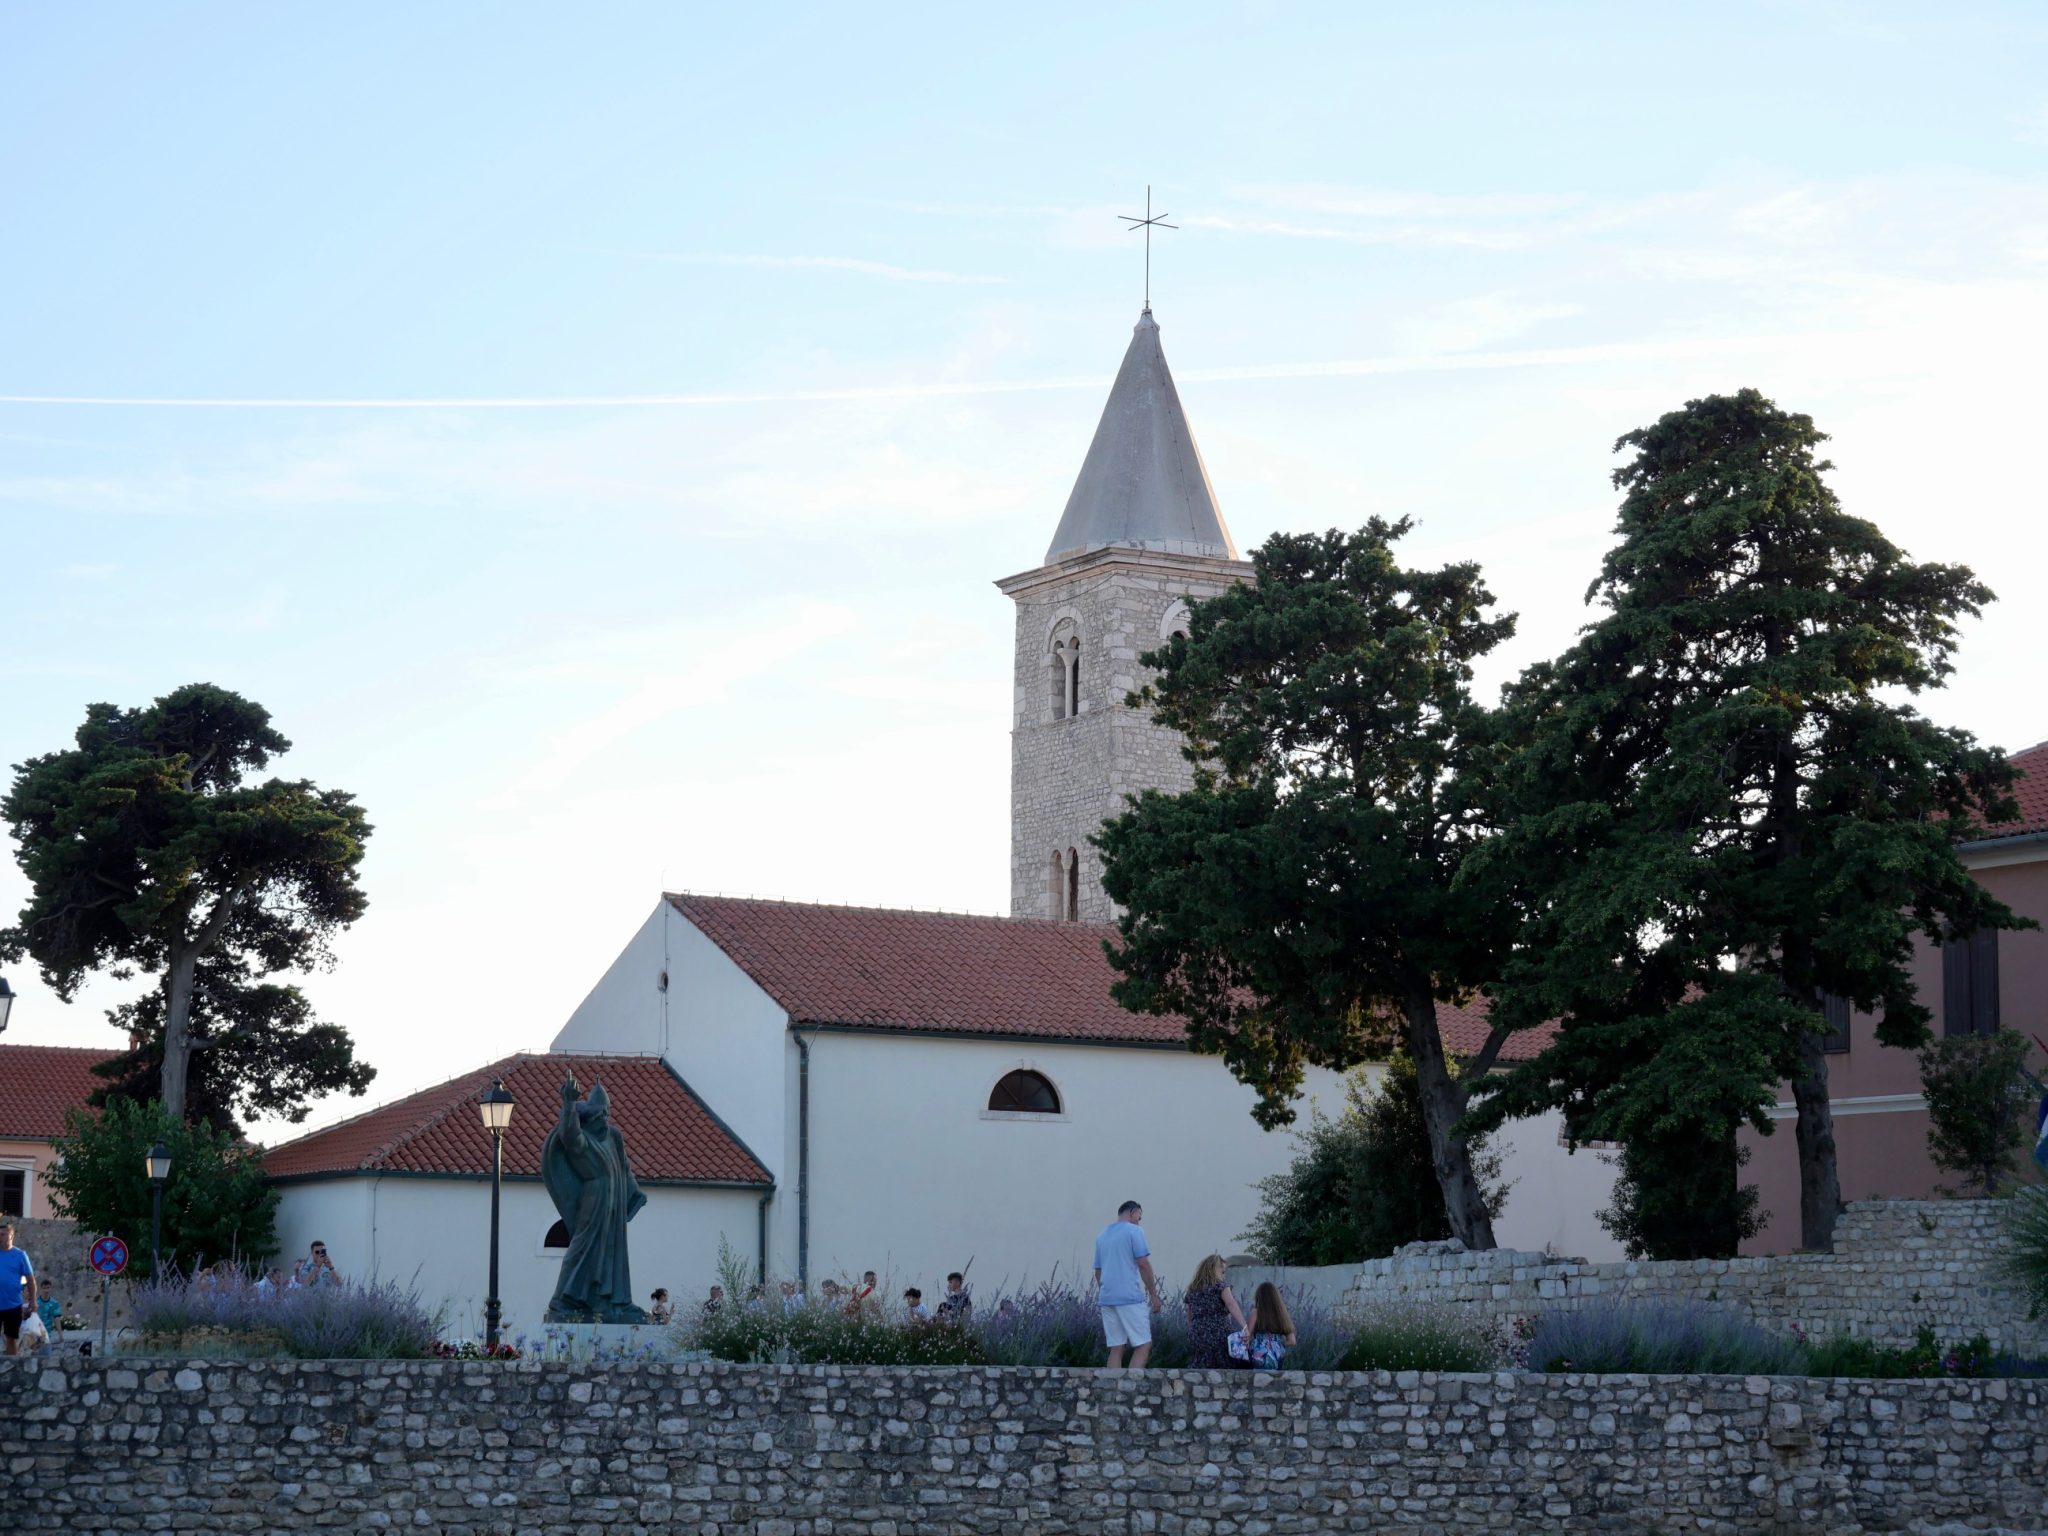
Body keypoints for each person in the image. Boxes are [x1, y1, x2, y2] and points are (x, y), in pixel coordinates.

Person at [1092, 1199, 1162, 1368]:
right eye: (1139, 1216)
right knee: (1143, 1344)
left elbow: (1098, 1271)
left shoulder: (1102, 1235)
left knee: (1116, 1348)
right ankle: (1131, 1384)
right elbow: (1143, 1264)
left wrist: (1107, 1290)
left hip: (1107, 1298)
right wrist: (1154, 1295)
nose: (1139, 1221)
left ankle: (1112, 1384)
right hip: (1129, 1297)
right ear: (1132, 1213)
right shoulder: (1134, 1231)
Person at [1182, 1254, 1249, 1370]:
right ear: (1215, 1269)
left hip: (1198, 1332)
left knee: (1202, 1363)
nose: (1223, 1275)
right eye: (1222, 1272)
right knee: (1223, 1364)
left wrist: (1192, 1330)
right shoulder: (1220, 1286)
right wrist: (1244, 1326)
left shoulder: (1193, 1289)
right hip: (1218, 1330)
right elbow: (1231, 1304)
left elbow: (1190, 1313)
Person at [1236, 1281, 1297, 1371]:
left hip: (1257, 1358)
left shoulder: (1256, 1313)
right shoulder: (1282, 1315)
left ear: (1259, 1297)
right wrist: (1276, 1344)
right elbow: (1292, 1341)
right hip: (1276, 1359)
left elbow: (1247, 1335)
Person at [0, 1223, 37, 1359]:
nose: (0, 1237)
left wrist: (33, 1301)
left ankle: (12, 1366)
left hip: (13, 1305)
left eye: (3, 1234)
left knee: (11, 1339)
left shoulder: (20, 1255)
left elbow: (30, 1280)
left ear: (11, 1236)